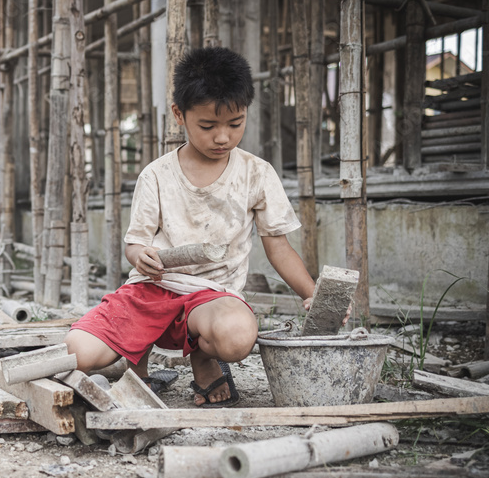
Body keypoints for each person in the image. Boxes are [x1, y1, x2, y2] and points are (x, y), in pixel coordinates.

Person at [64, 46, 316, 407]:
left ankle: (203, 358)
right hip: (151, 290)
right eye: (208, 126)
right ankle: (137, 362)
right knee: (77, 352)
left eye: (235, 124)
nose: (223, 137)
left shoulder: (256, 173)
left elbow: (279, 247)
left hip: (211, 298)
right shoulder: (156, 175)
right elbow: (135, 244)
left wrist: (311, 293)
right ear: (179, 115)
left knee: (237, 337)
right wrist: (140, 256)